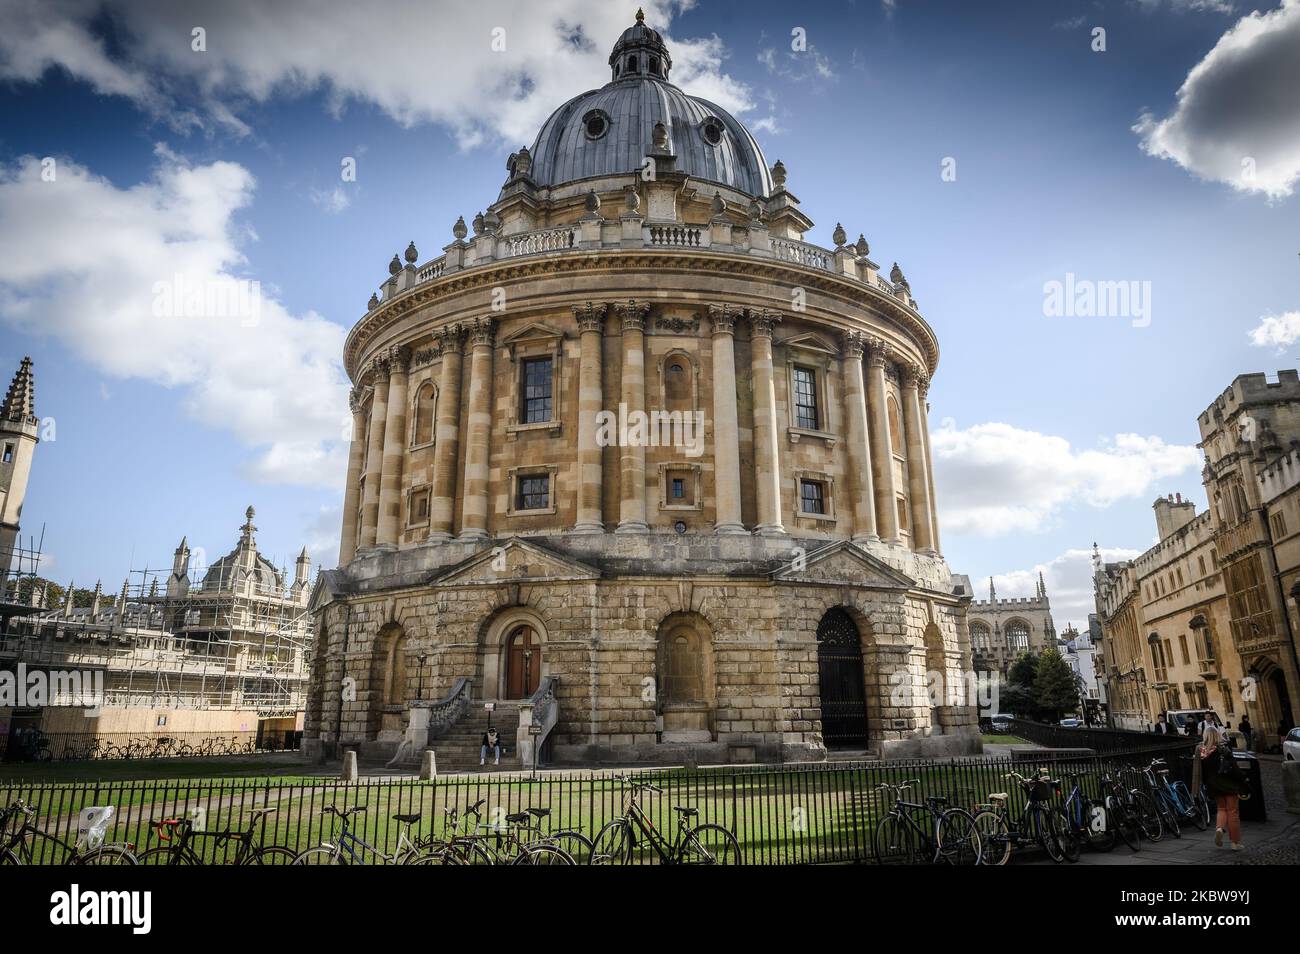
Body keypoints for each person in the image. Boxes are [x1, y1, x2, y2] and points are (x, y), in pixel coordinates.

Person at [1202, 720, 1244, 851]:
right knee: (1233, 812)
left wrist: (1207, 784)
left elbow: (1203, 773)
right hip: (1229, 784)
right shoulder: (1223, 749)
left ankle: (1219, 828)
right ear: (1217, 736)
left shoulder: (1202, 753)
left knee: (1221, 809)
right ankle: (1234, 842)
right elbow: (1234, 768)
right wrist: (1242, 780)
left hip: (1214, 785)